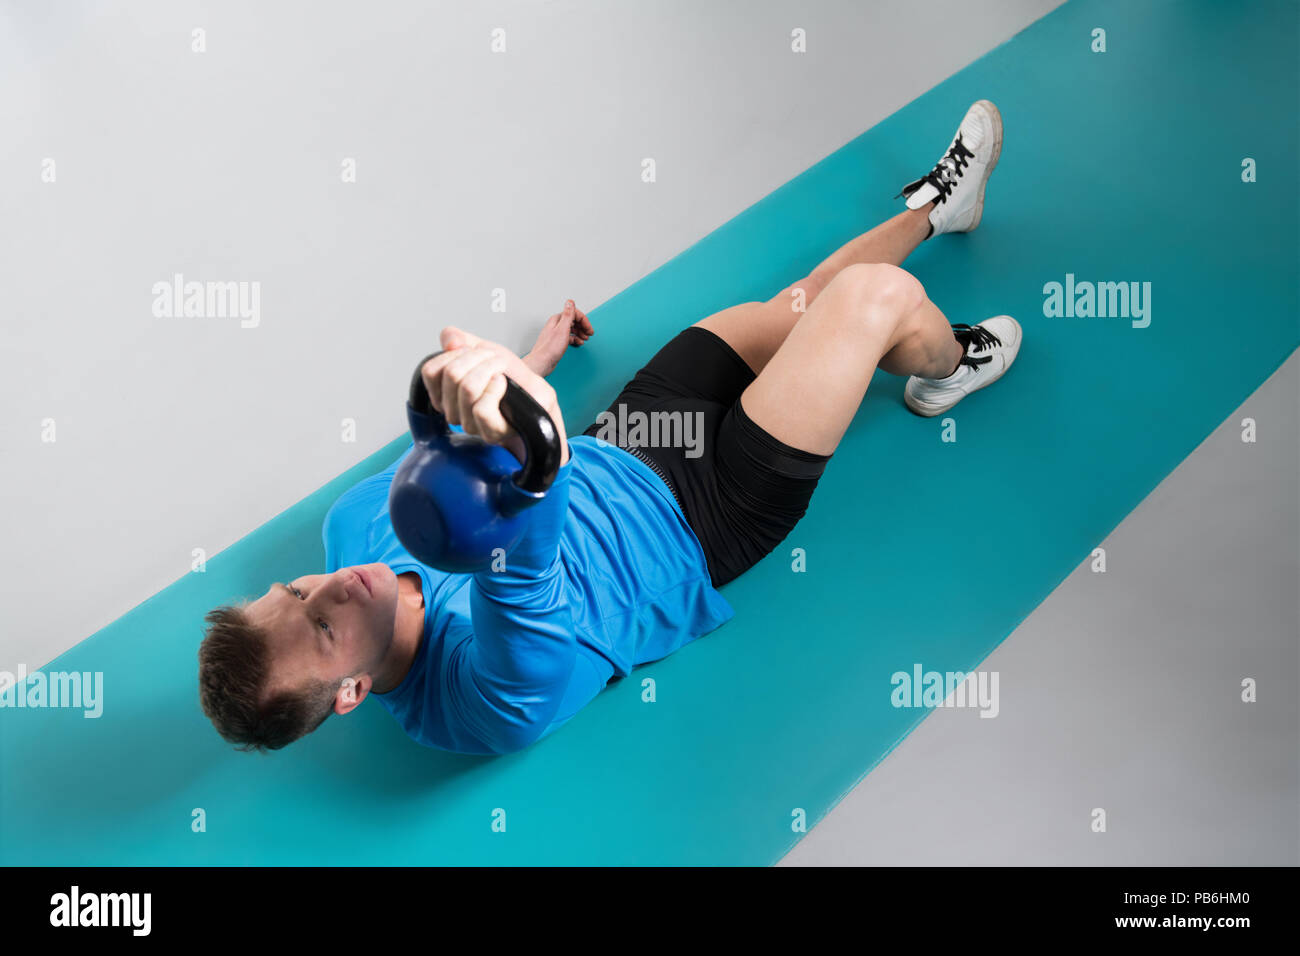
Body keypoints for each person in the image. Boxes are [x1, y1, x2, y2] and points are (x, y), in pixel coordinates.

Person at [198, 100, 1021, 755]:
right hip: (705, 519)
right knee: (870, 302)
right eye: (322, 624)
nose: (333, 585)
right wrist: (530, 409)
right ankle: (949, 366)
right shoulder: (486, 701)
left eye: (297, 589)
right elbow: (527, 540)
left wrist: (528, 365)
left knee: (803, 304)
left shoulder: (352, 530)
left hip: (627, 440)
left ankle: (940, 209)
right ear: (349, 694)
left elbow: (458, 455)